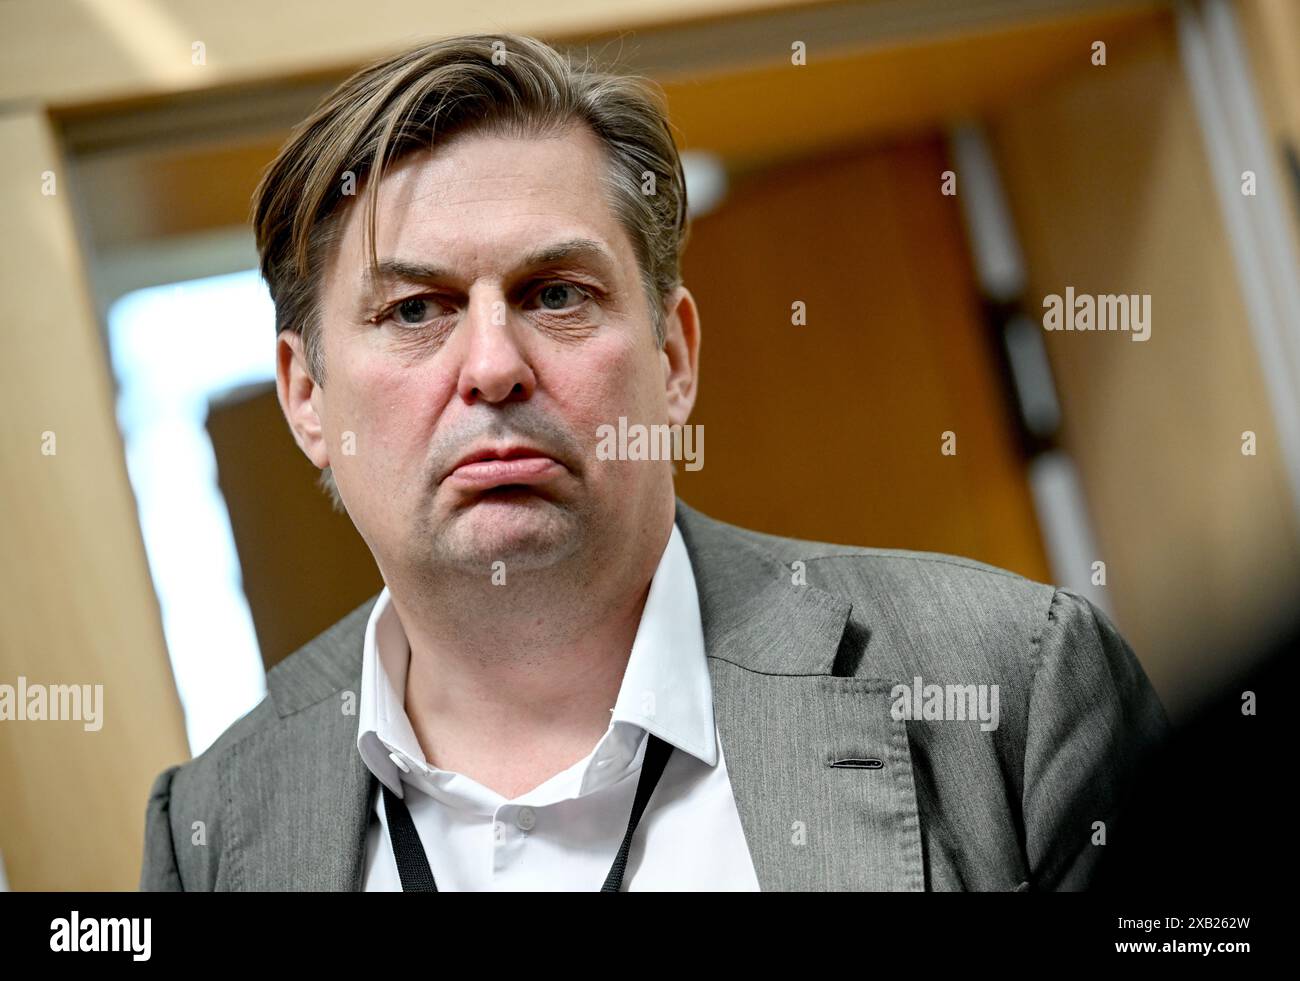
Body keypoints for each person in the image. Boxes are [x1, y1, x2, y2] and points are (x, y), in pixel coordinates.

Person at [139, 33, 1168, 892]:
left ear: (673, 356)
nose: (493, 366)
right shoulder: (212, 833)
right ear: (307, 397)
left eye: (555, 294)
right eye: (415, 310)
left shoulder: (1011, 687)